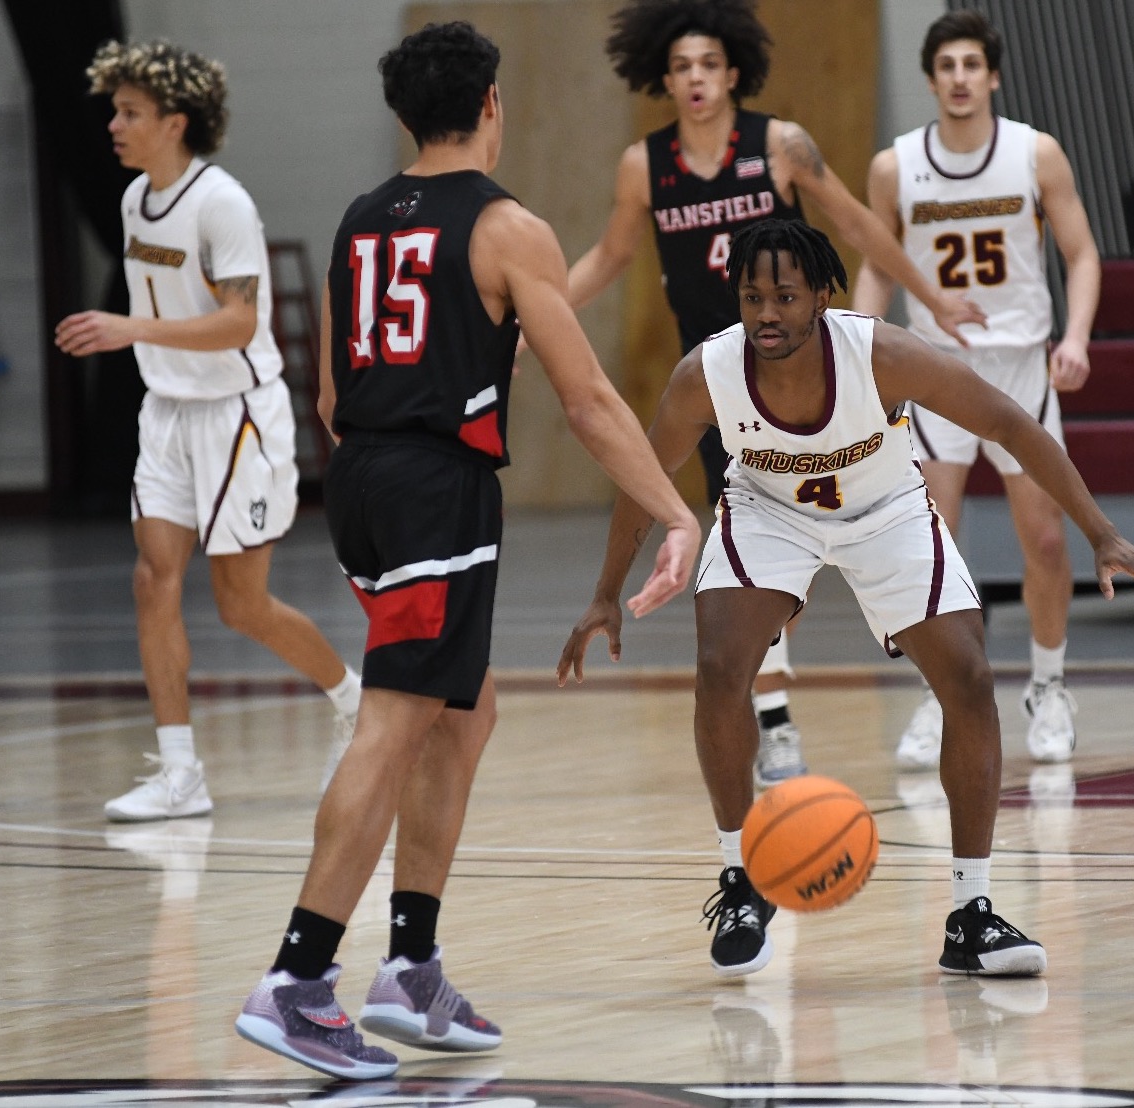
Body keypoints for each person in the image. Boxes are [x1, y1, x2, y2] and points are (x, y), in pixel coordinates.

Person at [232, 22, 699, 1080]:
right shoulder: (507, 227)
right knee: (397, 724)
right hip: (434, 496)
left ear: (405, 115)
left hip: (359, 482)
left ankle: (410, 966)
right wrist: (675, 512)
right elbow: (585, 398)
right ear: (490, 103)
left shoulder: (362, 218)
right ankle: (298, 979)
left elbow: (330, 397)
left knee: (463, 710)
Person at [557, 220, 1134, 980]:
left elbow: (1010, 423)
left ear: (822, 294)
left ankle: (971, 915)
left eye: (785, 296)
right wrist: (603, 595)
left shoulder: (881, 353)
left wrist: (1101, 532)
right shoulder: (707, 373)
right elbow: (644, 477)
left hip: (885, 509)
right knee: (721, 667)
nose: (767, 314)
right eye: (753, 297)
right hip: (767, 511)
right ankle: (739, 881)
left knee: (970, 678)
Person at [564, 0, 990, 790]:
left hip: (810, 373)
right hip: (726, 384)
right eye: (682, 67)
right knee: (749, 553)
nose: (695, 79)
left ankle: (913, 651)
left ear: (733, 73)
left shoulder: (779, 145)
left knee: (836, 526)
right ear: (666, 77)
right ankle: (776, 718)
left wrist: (926, 293)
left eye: (708, 65)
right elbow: (610, 256)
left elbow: (860, 227)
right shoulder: (643, 165)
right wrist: (538, 316)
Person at [57, 41, 363, 821]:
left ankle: (353, 701)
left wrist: (129, 329)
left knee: (240, 606)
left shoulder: (221, 202)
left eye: (129, 113)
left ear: (175, 121)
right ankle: (180, 773)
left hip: (237, 416)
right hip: (166, 412)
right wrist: (143, 340)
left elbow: (238, 322)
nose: (115, 126)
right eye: (115, 111)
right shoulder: (134, 202)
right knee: (151, 580)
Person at [850, 11, 1104, 770]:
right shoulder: (894, 167)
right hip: (936, 373)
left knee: (1047, 540)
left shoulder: (1036, 154)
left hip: (1023, 368)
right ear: (930, 80)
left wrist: (1078, 338)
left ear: (991, 76)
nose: (960, 78)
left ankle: (1050, 688)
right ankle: (941, 696)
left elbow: (1082, 254)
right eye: (947, 66)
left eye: (972, 65)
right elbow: (873, 262)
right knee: (931, 548)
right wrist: (860, 345)